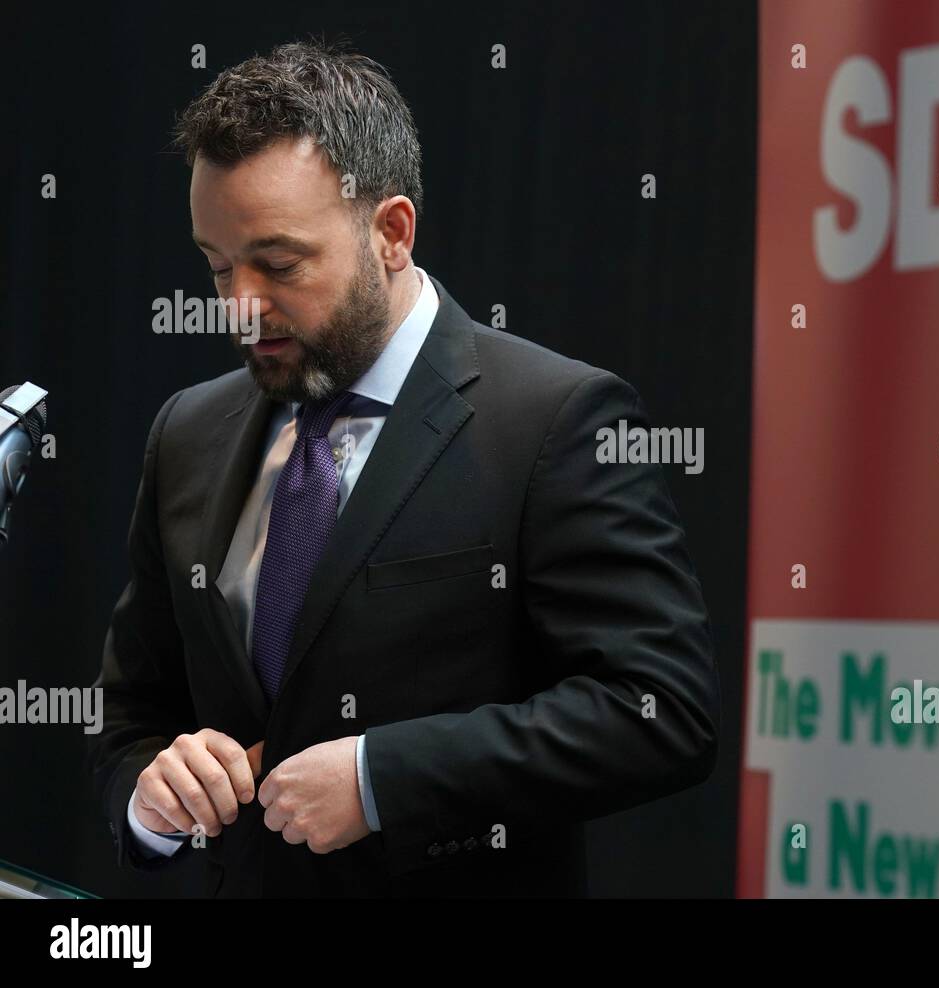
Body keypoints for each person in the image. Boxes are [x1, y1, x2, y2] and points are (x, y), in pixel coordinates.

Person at [86, 40, 719, 897]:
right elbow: (131, 712)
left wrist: (384, 778)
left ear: (390, 231)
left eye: (277, 265)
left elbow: (663, 711)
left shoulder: (551, 420)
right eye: (215, 266)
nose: (238, 309)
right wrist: (150, 797)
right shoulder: (188, 431)